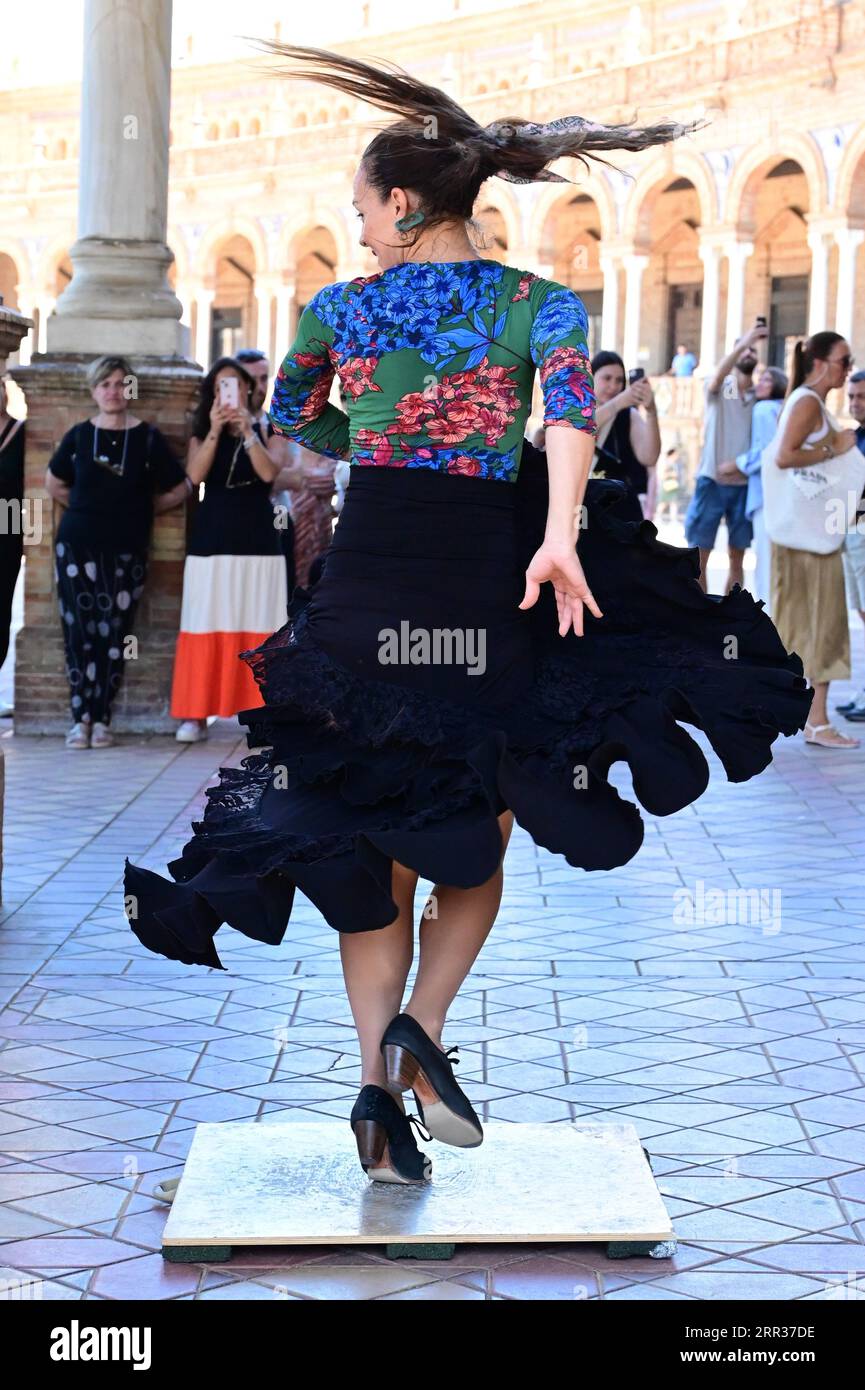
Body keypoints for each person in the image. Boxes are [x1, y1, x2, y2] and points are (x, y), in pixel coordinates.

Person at [125, 45, 810, 1187]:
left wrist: (382, 451)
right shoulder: (535, 302)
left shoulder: (339, 307)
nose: (356, 230)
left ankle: (371, 1094)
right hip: (484, 573)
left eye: (360, 210)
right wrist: (549, 527)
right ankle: (420, 1028)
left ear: (400, 204)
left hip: (370, 577)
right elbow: (566, 415)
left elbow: (295, 426)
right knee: (477, 810)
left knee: (368, 823)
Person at [45, 355, 188, 748]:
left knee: (115, 632)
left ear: (130, 389)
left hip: (126, 550)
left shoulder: (147, 438)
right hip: (77, 547)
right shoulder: (79, 435)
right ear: (93, 390)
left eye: (120, 384)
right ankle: (80, 720)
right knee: (78, 633)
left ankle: (102, 719)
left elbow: (181, 486)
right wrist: (84, 507)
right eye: (105, 384)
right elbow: (53, 483)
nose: (112, 391)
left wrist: (144, 509)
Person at [170, 357, 286, 742]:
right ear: (212, 393)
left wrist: (249, 431)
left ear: (248, 389)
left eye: (235, 384)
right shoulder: (202, 430)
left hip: (257, 533)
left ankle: (263, 711)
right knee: (205, 619)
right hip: (213, 535)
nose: (229, 393)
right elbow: (195, 476)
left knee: (260, 621)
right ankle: (195, 713)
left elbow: (270, 474)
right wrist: (218, 430)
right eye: (221, 386)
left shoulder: (270, 426)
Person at [769, 333, 858, 749]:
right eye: (843, 361)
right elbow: (785, 456)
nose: (847, 367)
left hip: (808, 534)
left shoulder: (809, 401)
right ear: (820, 363)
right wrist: (833, 447)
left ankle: (805, 715)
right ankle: (816, 720)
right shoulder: (807, 402)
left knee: (805, 623)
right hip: (808, 538)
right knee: (821, 623)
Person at [684, 324, 766, 593]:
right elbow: (718, 377)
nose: (747, 352)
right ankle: (704, 616)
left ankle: (733, 615)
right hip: (712, 481)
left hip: (743, 485)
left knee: (737, 559)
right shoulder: (722, 386)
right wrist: (745, 342)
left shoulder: (760, 396)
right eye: (743, 348)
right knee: (699, 557)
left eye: (753, 349)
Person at [235, 346, 301, 596]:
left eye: (264, 378)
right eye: (251, 380)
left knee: (278, 602)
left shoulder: (277, 424)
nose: (259, 387)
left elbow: (296, 477)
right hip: (237, 524)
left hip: (278, 522)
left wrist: (246, 478)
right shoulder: (222, 425)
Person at [728, 365, 788, 612]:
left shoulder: (763, 409)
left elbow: (766, 452)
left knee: (764, 559)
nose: (759, 382)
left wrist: (737, 464)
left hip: (765, 493)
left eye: (766, 379)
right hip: (782, 494)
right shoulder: (781, 410)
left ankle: (767, 615)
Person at [590, 351, 661, 517]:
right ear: (591, 377)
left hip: (618, 507)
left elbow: (649, 457)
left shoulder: (628, 415)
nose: (613, 386)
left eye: (619, 380)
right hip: (582, 504)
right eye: (607, 378)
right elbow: (583, 428)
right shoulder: (575, 410)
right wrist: (618, 402)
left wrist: (651, 410)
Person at [835, 370, 865, 722]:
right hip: (851, 532)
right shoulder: (853, 437)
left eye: (862, 396)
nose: (856, 402)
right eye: (852, 396)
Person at [0, 376, 25, 714]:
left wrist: (30, 538)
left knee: (0, 608)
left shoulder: (22, 432)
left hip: (7, 532)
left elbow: (31, 489)